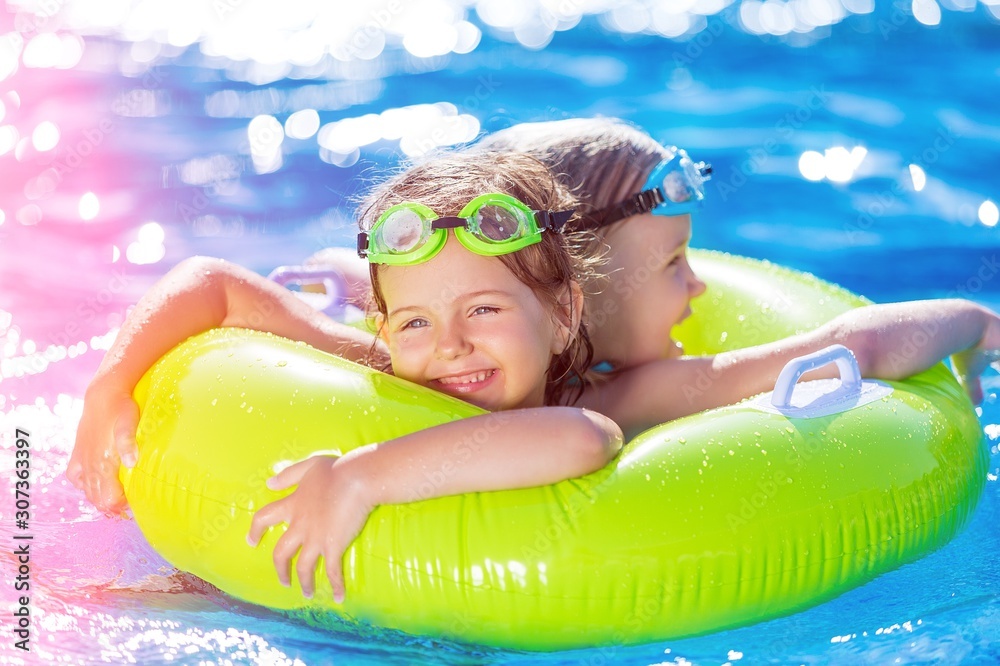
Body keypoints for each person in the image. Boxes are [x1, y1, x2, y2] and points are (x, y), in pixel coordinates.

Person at [68, 152, 624, 600]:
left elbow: (581, 437)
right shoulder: (384, 372)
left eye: (484, 310)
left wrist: (356, 478)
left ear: (561, 316)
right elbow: (214, 284)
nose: (450, 346)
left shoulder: (579, 409)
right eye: (415, 322)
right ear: (384, 331)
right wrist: (109, 388)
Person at [299, 117, 1000, 432]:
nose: (697, 287)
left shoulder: (627, 400)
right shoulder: (419, 341)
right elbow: (862, 345)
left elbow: (853, 348)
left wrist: (973, 325)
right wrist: (978, 323)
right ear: (578, 285)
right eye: (671, 262)